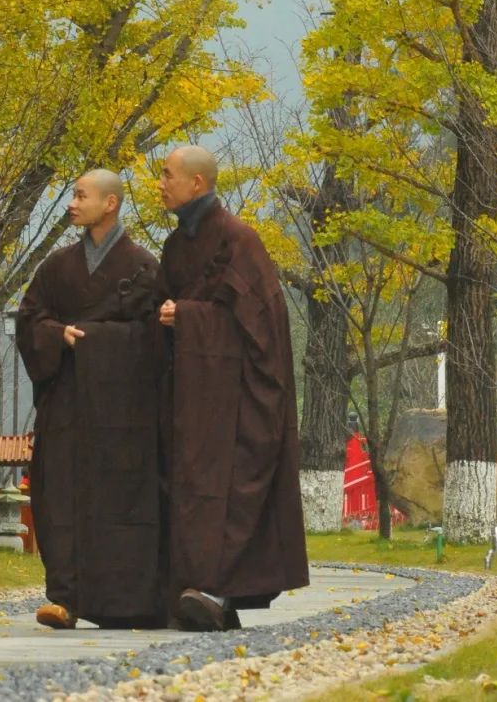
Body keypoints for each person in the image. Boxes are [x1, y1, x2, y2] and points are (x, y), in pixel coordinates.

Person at [156, 144, 309, 632]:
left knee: (232, 492)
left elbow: (258, 326)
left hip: (239, 398)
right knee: (188, 489)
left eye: (167, 175)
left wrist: (189, 317)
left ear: (196, 184)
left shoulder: (239, 240)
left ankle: (216, 592)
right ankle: (193, 592)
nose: (159, 184)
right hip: (192, 398)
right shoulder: (175, 245)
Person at [16, 169, 162, 631]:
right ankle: (64, 598)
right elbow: (29, 320)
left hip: (123, 413)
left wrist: (94, 341)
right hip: (66, 404)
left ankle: (121, 602)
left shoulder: (142, 266)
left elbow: (154, 336)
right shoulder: (57, 266)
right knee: (60, 495)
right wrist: (58, 335)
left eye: (81, 196)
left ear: (111, 203)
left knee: (118, 500)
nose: (72, 204)